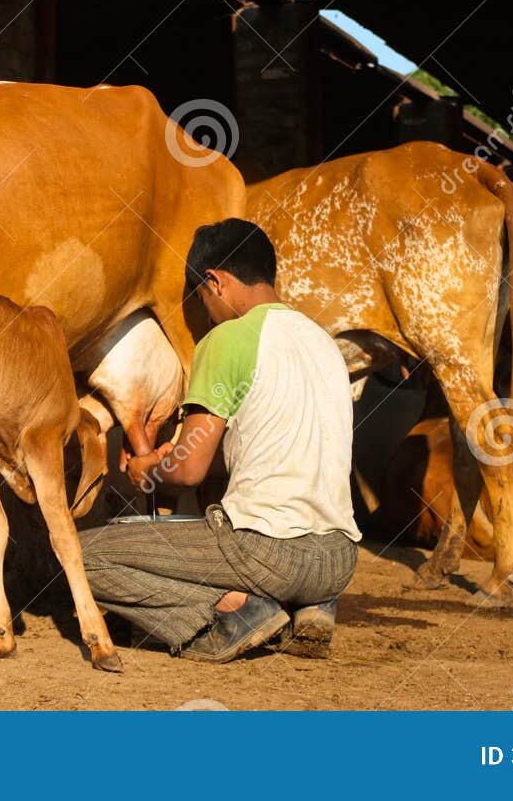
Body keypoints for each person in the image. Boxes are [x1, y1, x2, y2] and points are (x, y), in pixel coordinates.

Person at [78, 218, 360, 662]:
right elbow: (275, 447)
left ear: (215, 281)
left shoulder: (228, 339)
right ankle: (309, 607)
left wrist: (147, 466)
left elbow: (188, 473)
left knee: (81, 557)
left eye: (200, 298)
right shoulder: (323, 342)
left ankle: (233, 611)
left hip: (268, 552)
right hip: (338, 560)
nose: (203, 311)